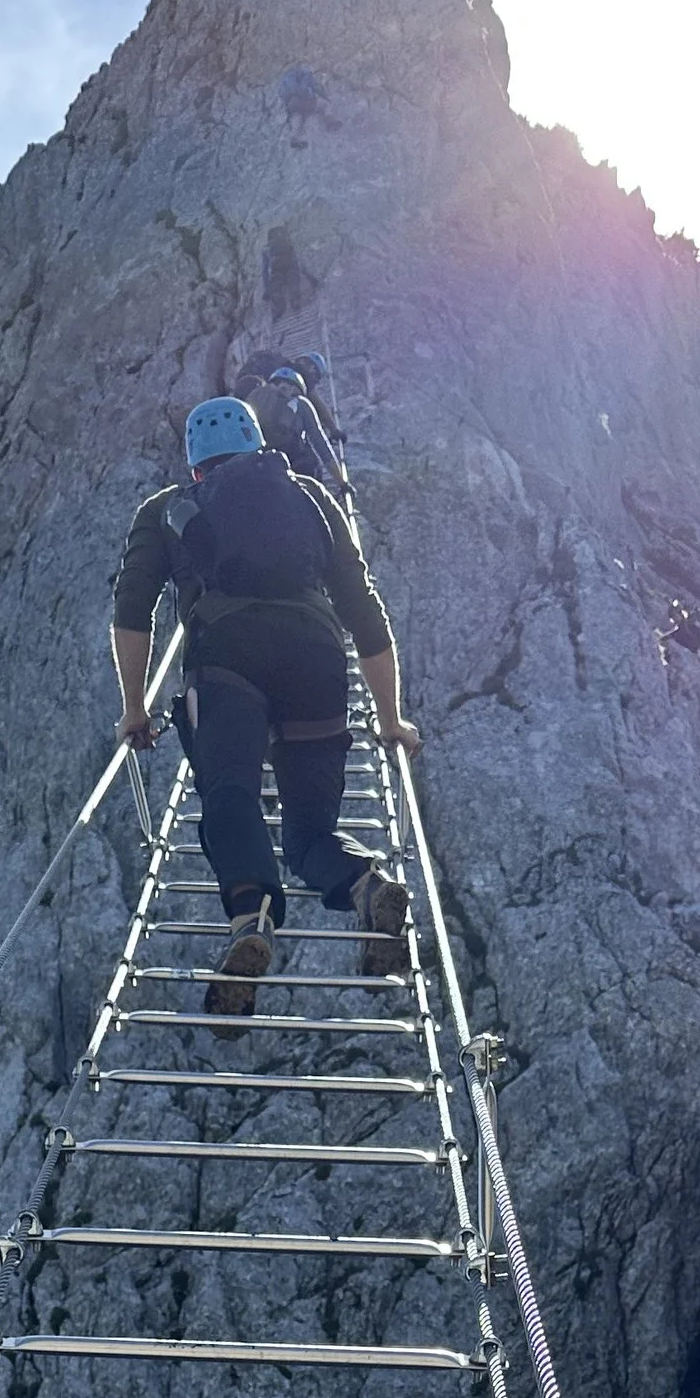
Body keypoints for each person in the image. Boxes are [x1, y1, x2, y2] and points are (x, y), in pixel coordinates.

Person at [111, 397, 421, 1019]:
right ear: (258, 445)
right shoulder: (308, 494)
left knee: (231, 798)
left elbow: (132, 608)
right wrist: (391, 720)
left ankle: (250, 918)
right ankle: (367, 885)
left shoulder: (168, 508)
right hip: (316, 660)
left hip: (227, 663)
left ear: (195, 465)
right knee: (308, 835)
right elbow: (364, 608)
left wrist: (135, 709)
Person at [234, 356, 343, 487]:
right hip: (294, 462)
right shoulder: (301, 402)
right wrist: (342, 482)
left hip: (259, 463)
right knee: (311, 464)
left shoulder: (255, 398)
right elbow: (319, 441)